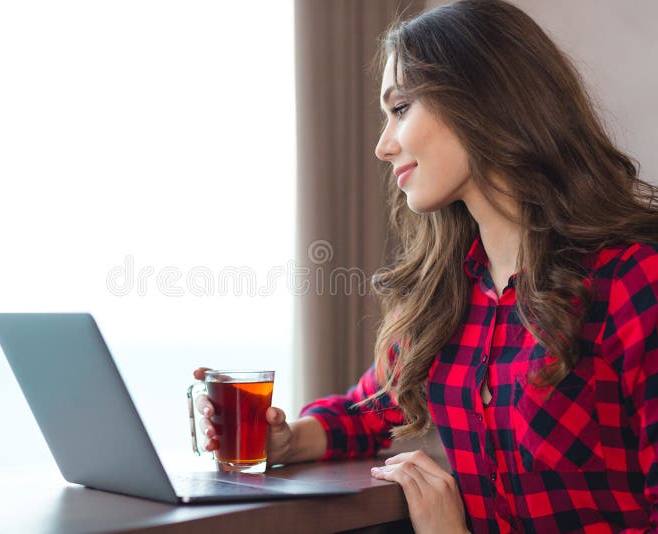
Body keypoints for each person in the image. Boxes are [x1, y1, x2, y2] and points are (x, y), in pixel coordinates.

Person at [194, 0, 658, 532]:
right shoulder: (454, 296)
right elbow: (371, 406)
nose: (382, 146)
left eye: (400, 108)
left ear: (481, 101)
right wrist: (287, 440)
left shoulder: (634, 281)